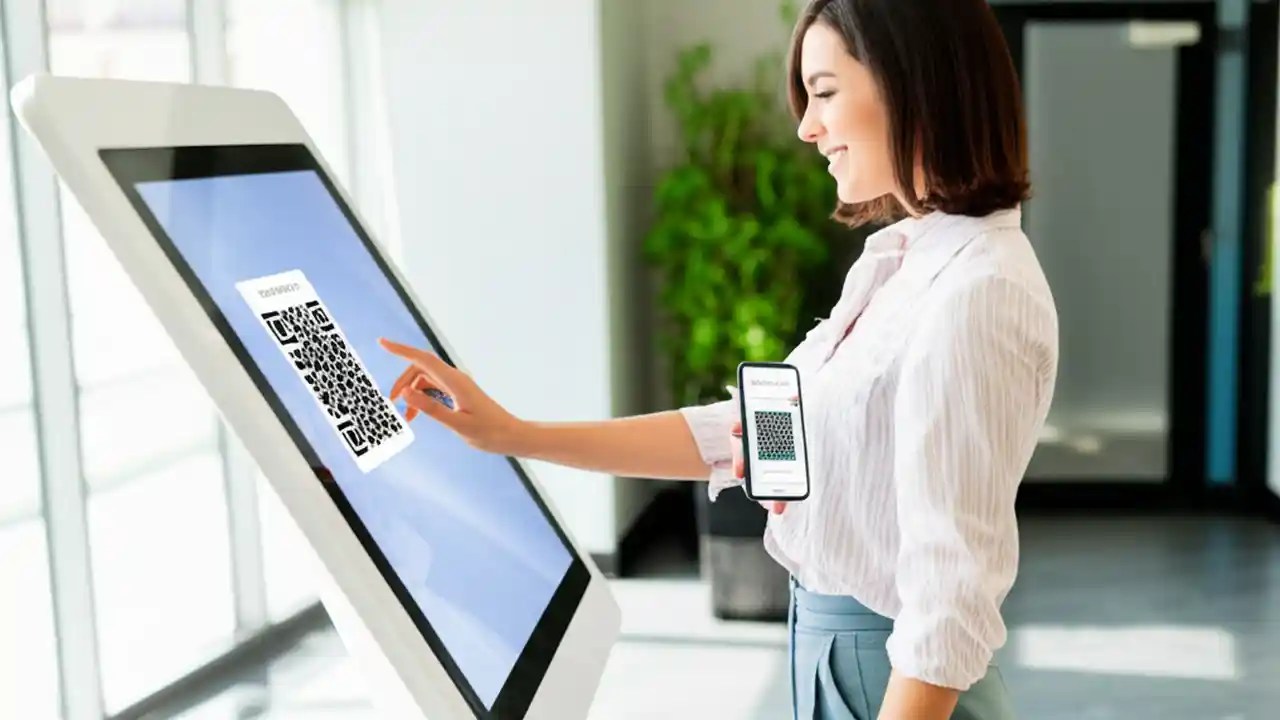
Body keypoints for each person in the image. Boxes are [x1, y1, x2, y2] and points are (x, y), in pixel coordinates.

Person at [378, 0, 1058, 717]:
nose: (806, 126)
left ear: (913, 81)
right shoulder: (901, 259)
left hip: (897, 678)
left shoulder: (980, 291)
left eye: (824, 92)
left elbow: (949, 599)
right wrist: (517, 435)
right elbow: (735, 431)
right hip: (838, 653)